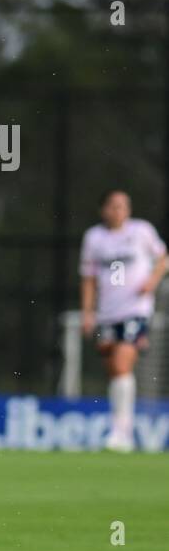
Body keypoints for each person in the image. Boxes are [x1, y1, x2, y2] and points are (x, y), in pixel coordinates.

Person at [79, 189, 167, 452]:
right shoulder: (94, 237)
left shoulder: (141, 231)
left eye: (123, 206)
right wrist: (87, 312)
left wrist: (152, 281)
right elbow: (89, 278)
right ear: (103, 209)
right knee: (114, 371)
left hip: (135, 310)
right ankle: (121, 429)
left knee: (121, 363)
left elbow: (163, 258)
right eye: (114, 206)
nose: (119, 211)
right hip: (107, 313)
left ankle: (122, 432)